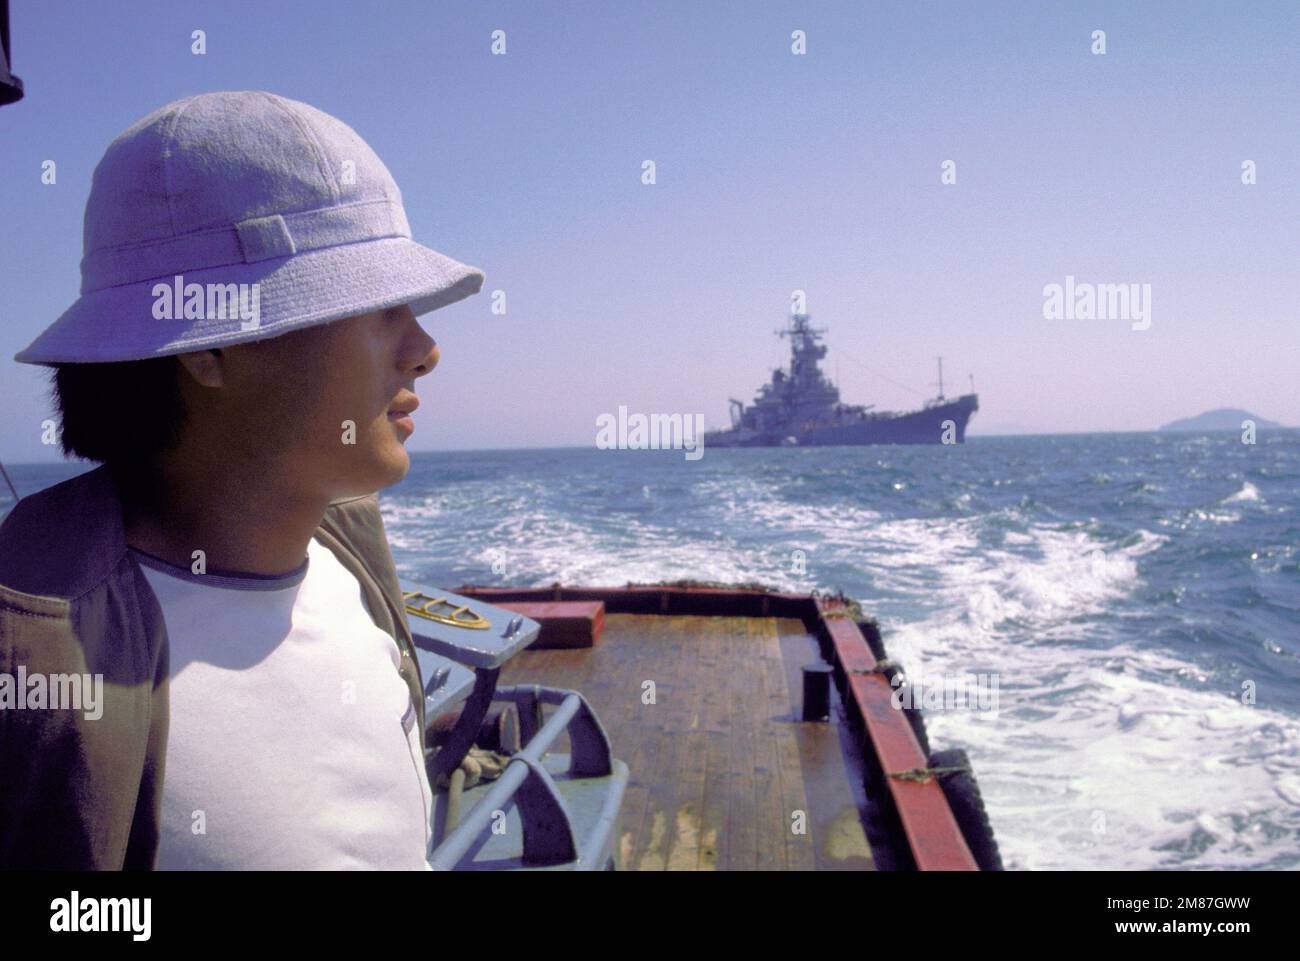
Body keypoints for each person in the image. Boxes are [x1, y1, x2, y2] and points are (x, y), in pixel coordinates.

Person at [0, 90, 484, 869]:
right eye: (377, 303)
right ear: (207, 345)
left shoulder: (347, 559)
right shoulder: (38, 676)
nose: (425, 346)